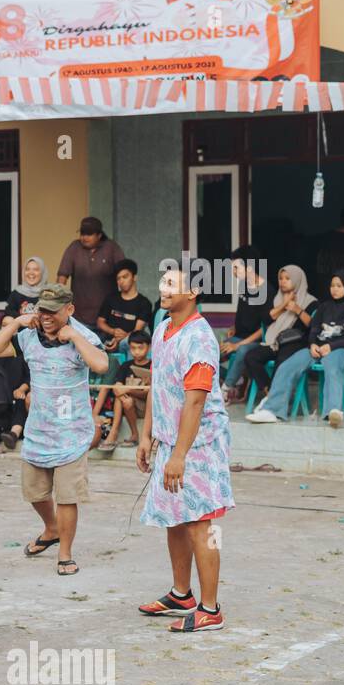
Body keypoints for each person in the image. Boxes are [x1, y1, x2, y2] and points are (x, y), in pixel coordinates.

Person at [136, 268, 234, 633]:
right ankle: (182, 595)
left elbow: (195, 402)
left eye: (172, 284)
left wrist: (179, 455)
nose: (163, 289)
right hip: (169, 440)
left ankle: (211, 609)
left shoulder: (200, 338)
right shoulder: (162, 327)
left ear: (192, 291)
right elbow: (156, 384)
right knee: (174, 517)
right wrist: (146, 435)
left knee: (200, 521)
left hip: (200, 444)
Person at [0, 283, 109, 576]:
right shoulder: (29, 337)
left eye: (53, 312)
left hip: (72, 433)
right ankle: (51, 528)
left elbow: (102, 365)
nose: (46, 317)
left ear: (69, 310)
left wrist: (75, 338)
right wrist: (17, 322)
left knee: (67, 496)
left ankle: (65, 553)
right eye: (42, 310)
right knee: (34, 492)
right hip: (39, 430)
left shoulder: (82, 336)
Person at [246, 270, 344, 429]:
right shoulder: (324, 307)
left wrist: (331, 346)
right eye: (332, 285)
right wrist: (312, 345)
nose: (335, 289)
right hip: (317, 348)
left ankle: (333, 412)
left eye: (339, 286)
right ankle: (272, 410)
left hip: (340, 349)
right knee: (287, 365)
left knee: (332, 366)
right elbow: (314, 330)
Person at [242, 265, 317, 405]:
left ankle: (275, 400)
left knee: (281, 361)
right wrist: (284, 304)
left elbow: (313, 325)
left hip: (296, 343)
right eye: (281, 278)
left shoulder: (310, 302)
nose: (283, 281)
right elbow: (266, 319)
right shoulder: (276, 299)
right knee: (251, 357)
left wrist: (297, 309)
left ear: (297, 280)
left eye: (287, 278)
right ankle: (270, 393)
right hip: (275, 342)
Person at [219, 246, 272, 404]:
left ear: (249, 267)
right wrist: (233, 328)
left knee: (241, 351)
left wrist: (238, 345)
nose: (233, 272)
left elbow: (265, 329)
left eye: (236, 268)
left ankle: (225, 389)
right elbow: (243, 311)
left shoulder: (267, 291)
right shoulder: (244, 285)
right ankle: (238, 378)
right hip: (239, 337)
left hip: (257, 342)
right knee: (210, 353)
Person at [56, 216, 127, 328]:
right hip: (79, 316)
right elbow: (62, 276)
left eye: (89, 234)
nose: (84, 237)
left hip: (107, 317)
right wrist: (58, 302)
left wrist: (125, 303)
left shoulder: (111, 248)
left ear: (99, 235)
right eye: (82, 233)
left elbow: (125, 273)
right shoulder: (74, 247)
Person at [92, 329, 151, 450]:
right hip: (130, 407)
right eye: (133, 348)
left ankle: (144, 435)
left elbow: (147, 394)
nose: (137, 352)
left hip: (149, 407)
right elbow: (117, 389)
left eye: (140, 348)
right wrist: (125, 391)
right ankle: (126, 434)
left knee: (129, 396)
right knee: (122, 399)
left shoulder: (153, 366)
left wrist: (128, 390)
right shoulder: (126, 366)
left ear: (149, 347)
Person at [96, 259, 154, 352]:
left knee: (130, 342)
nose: (121, 281)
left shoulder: (144, 303)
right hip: (107, 340)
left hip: (130, 342)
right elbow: (100, 322)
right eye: (118, 278)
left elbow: (137, 330)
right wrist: (113, 331)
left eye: (125, 277)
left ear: (134, 277)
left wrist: (120, 339)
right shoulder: (111, 298)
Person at [3, 256, 49, 327]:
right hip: (20, 329)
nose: (31, 273)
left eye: (36, 269)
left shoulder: (48, 293)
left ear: (42, 273)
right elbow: (8, 312)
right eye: (27, 269)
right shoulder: (17, 292)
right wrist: (25, 319)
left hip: (41, 331)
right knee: (7, 320)